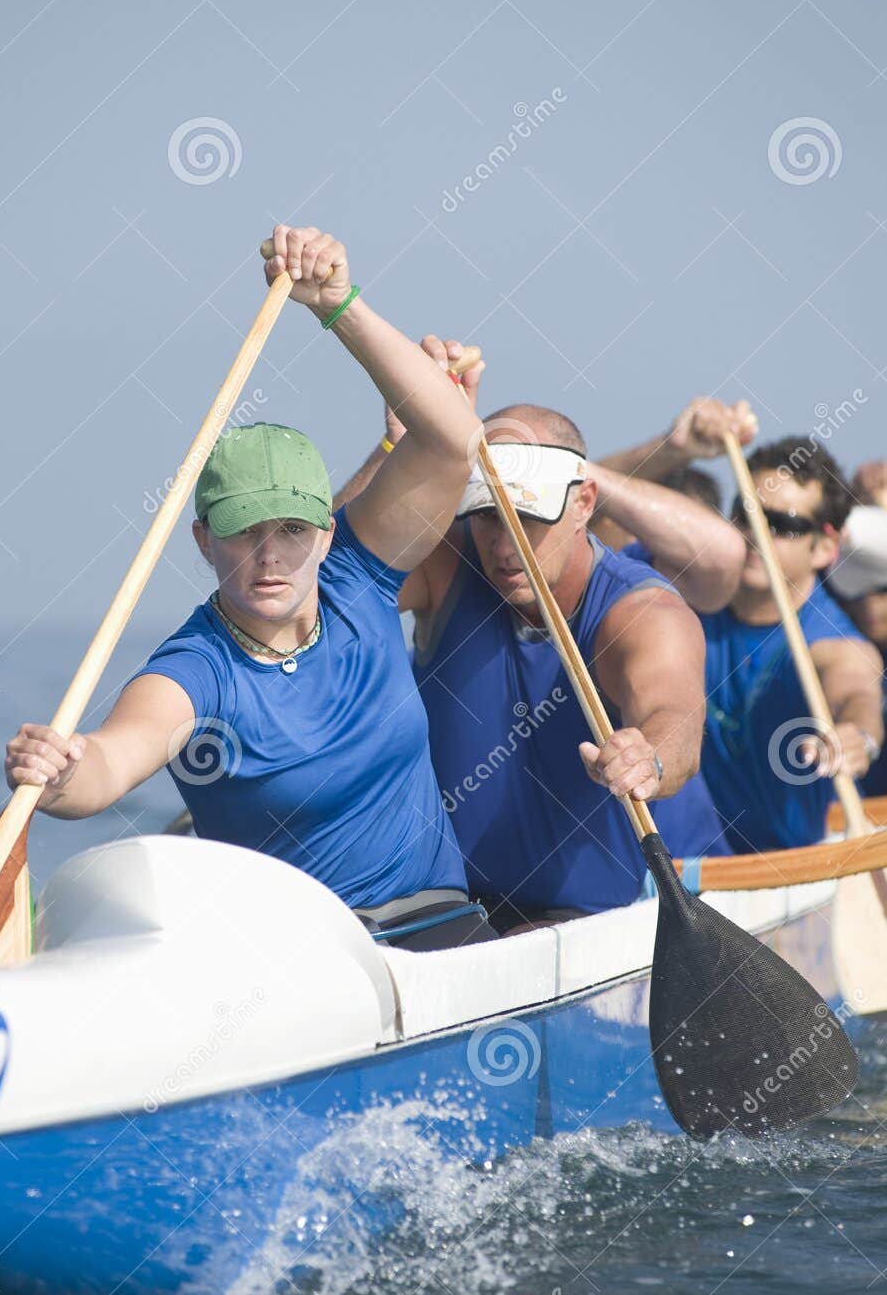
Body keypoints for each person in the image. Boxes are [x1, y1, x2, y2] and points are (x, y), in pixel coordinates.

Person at [4, 225, 496, 951]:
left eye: (293, 532)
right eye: (241, 532)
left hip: (441, 930)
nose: (269, 557)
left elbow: (451, 439)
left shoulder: (358, 578)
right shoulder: (198, 671)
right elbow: (110, 763)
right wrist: (61, 775)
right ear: (203, 541)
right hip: (302, 966)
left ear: (326, 533)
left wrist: (337, 304)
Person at [337, 347, 728, 931]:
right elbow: (328, 579)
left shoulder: (641, 611)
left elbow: (674, 719)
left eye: (529, 516)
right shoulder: (449, 563)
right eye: (489, 514)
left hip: (582, 919)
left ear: (584, 505)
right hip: (447, 907)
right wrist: (402, 446)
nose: (503, 544)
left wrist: (647, 757)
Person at [698, 441, 884, 853]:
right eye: (746, 515)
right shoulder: (686, 599)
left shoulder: (830, 639)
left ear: (824, 548)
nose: (755, 535)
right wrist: (671, 449)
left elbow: (856, 690)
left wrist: (857, 737)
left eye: (782, 524)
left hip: (780, 878)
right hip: (676, 872)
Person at [593, 395, 756, 609]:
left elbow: (721, 553)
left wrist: (569, 467)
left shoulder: (724, 585)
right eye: (647, 527)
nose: (758, 537)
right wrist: (670, 449)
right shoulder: (620, 568)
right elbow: (582, 499)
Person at [827, 499, 887, 798]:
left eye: (882, 591)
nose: (869, 607)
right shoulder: (834, 634)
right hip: (858, 814)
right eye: (858, 594)